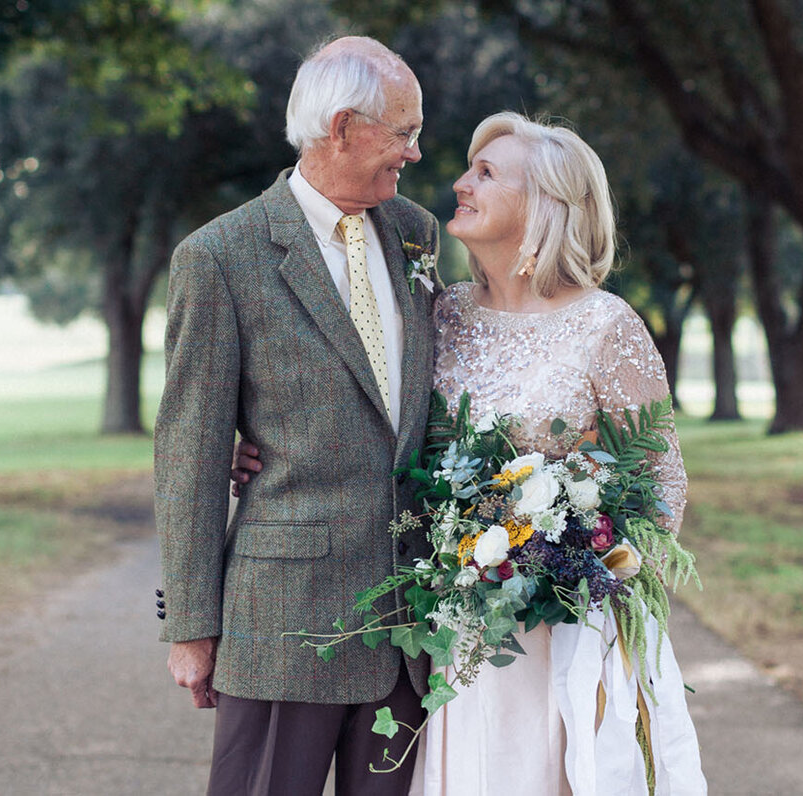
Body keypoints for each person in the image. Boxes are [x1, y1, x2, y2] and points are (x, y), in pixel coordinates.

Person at [234, 111, 707, 794]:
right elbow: (358, 402)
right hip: (459, 633)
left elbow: (661, 484)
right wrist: (251, 441)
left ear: (545, 204)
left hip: (567, 632)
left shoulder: (607, 325)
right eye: (468, 168)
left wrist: (591, 582)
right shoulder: (440, 314)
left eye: (486, 173)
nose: (458, 182)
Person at [154, 36, 440, 796]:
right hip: (283, 622)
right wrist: (190, 624)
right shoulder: (220, 256)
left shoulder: (417, 233)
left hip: (409, 630)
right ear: (343, 127)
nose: (414, 152)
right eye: (403, 132)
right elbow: (189, 453)